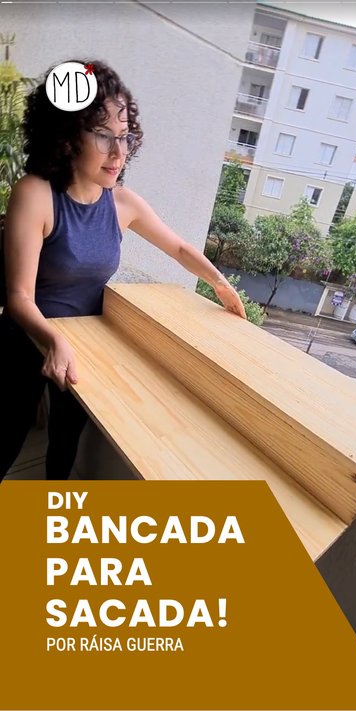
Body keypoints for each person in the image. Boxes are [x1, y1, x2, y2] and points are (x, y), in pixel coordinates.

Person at [0, 58, 246, 483]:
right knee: (4, 441)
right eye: (103, 136)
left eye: (125, 137)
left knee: (63, 449)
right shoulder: (35, 194)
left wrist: (220, 286)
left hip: (84, 344)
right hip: (26, 339)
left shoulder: (123, 204)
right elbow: (19, 296)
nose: (119, 153)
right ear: (67, 137)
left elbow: (180, 247)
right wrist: (55, 338)